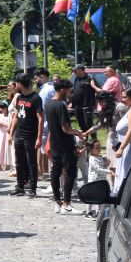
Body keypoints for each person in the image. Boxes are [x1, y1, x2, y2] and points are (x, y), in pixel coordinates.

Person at [44, 80, 94, 215]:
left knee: (55, 171)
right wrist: (78, 132)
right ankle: (66, 204)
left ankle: (57, 202)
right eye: (69, 90)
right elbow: (65, 128)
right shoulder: (61, 105)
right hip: (65, 144)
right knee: (70, 172)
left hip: (54, 143)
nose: (70, 93)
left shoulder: (48, 103)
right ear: (63, 90)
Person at [10, 74, 44, 197]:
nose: (15, 85)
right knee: (19, 162)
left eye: (16, 83)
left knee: (31, 162)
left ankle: (33, 188)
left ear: (20, 84)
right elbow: (16, 116)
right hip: (19, 133)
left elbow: (40, 118)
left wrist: (39, 138)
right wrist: (11, 133)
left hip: (30, 135)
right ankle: (20, 186)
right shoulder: (19, 98)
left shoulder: (36, 98)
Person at [70, 64, 96, 132]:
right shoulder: (76, 78)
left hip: (87, 106)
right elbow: (74, 90)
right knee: (81, 123)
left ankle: (94, 139)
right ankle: (85, 138)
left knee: (89, 123)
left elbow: (97, 90)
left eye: (75, 71)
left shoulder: (90, 78)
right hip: (77, 106)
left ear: (81, 70)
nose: (74, 73)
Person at [0, 102, 11, 171]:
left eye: (3, 108)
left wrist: (4, 124)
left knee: (6, 148)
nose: (2, 109)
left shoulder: (9, 116)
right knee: (0, 148)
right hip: (1, 133)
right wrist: (2, 123)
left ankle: (6, 164)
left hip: (7, 133)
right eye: (1, 108)